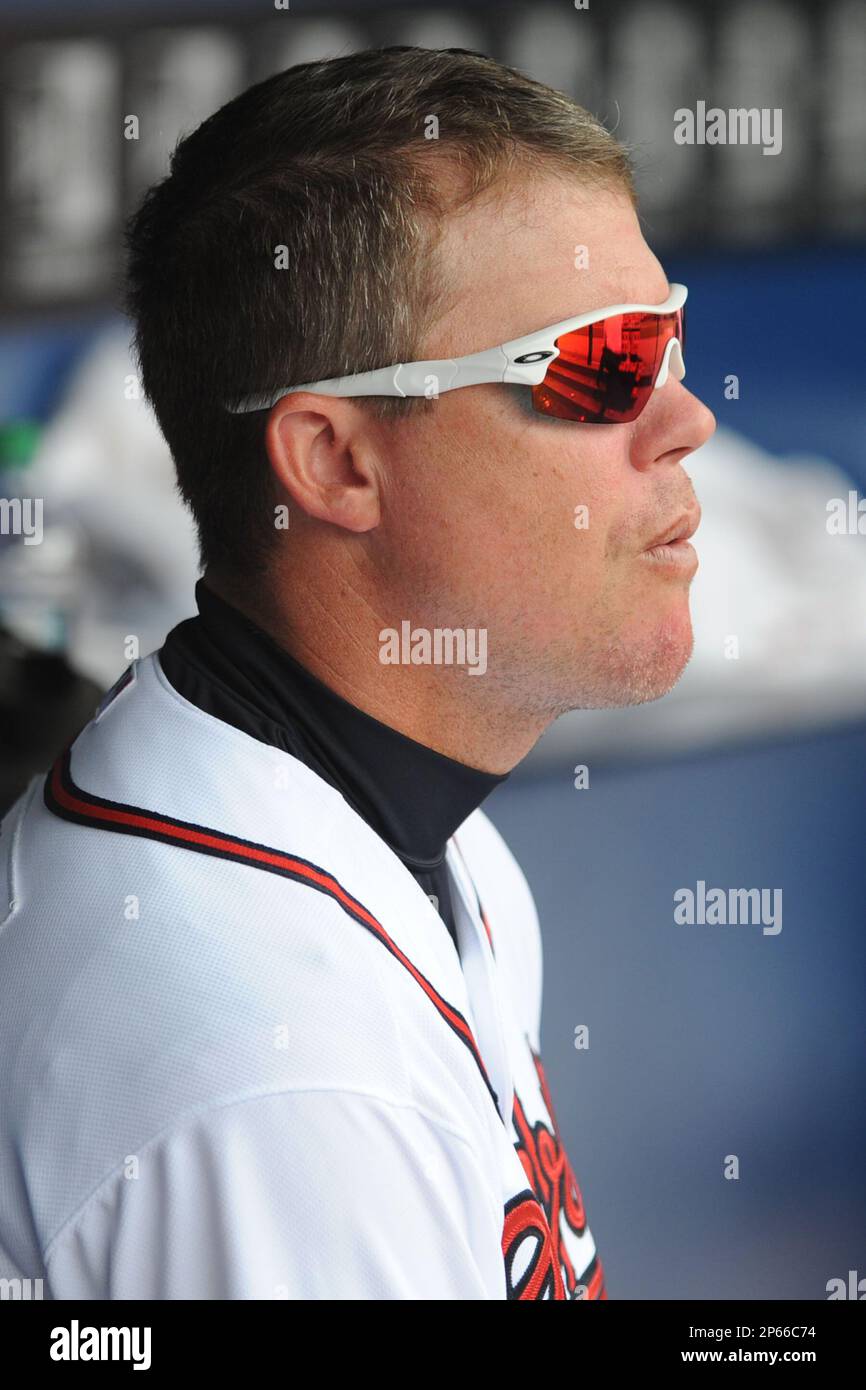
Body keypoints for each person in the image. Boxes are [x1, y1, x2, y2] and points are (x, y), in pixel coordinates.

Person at [0, 46, 715, 1300]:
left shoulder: (412, 833)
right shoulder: (278, 1074)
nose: (685, 416)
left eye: (668, 334)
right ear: (333, 464)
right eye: (602, 361)